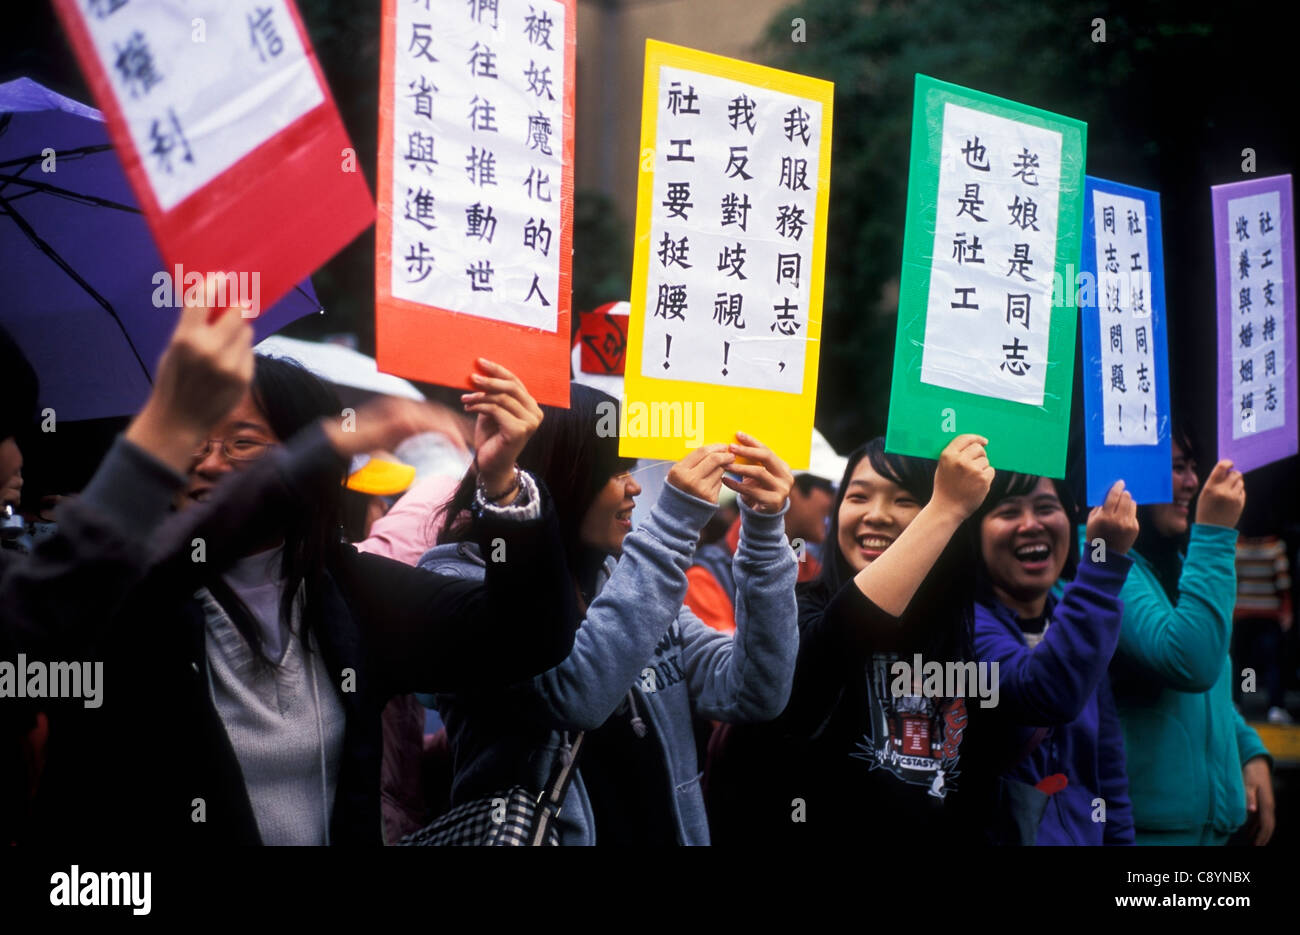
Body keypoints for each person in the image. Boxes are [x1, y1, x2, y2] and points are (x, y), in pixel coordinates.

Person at [12, 308, 579, 844]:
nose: (210, 462)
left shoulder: (355, 593)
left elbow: (524, 638)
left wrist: (503, 484)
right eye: (195, 440)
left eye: (241, 442)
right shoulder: (128, 590)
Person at [418, 385, 798, 845]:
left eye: (632, 470)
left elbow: (754, 691)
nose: (635, 487)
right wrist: (673, 523)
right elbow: (577, 694)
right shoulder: (462, 580)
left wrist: (762, 529)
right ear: (562, 474)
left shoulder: (619, 576)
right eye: (615, 472)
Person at [708, 434, 996, 845]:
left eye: (903, 500)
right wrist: (947, 508)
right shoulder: (796, 614)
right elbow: (835, 644)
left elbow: (974, 800)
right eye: (858, 497)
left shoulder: (966, 637)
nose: (875, 515)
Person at [1110, 433, 1275, 845]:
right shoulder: (1101, 560)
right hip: (1141, 834)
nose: (1192, 483)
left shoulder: (1179, 563)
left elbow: (1214, 688)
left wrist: (1249, 750)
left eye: (1192, 468)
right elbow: (1192, 662)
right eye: (1177, 468)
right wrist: (1215, 533)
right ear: (1132, 475)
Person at [971, 473, 1138, 845]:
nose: (1031, 524)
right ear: (974, 534)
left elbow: (1108, 774)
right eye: (1007, 511)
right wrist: (1104, 561)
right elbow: (1044, 692)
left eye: (1047, 508)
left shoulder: (1076, 622)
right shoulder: (964, 628)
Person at [684, 430, 842, 634]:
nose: (834, 501)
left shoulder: (809, 566)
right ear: (787, 486)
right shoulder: (705, 580)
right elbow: (737, 665)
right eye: (829, 488)